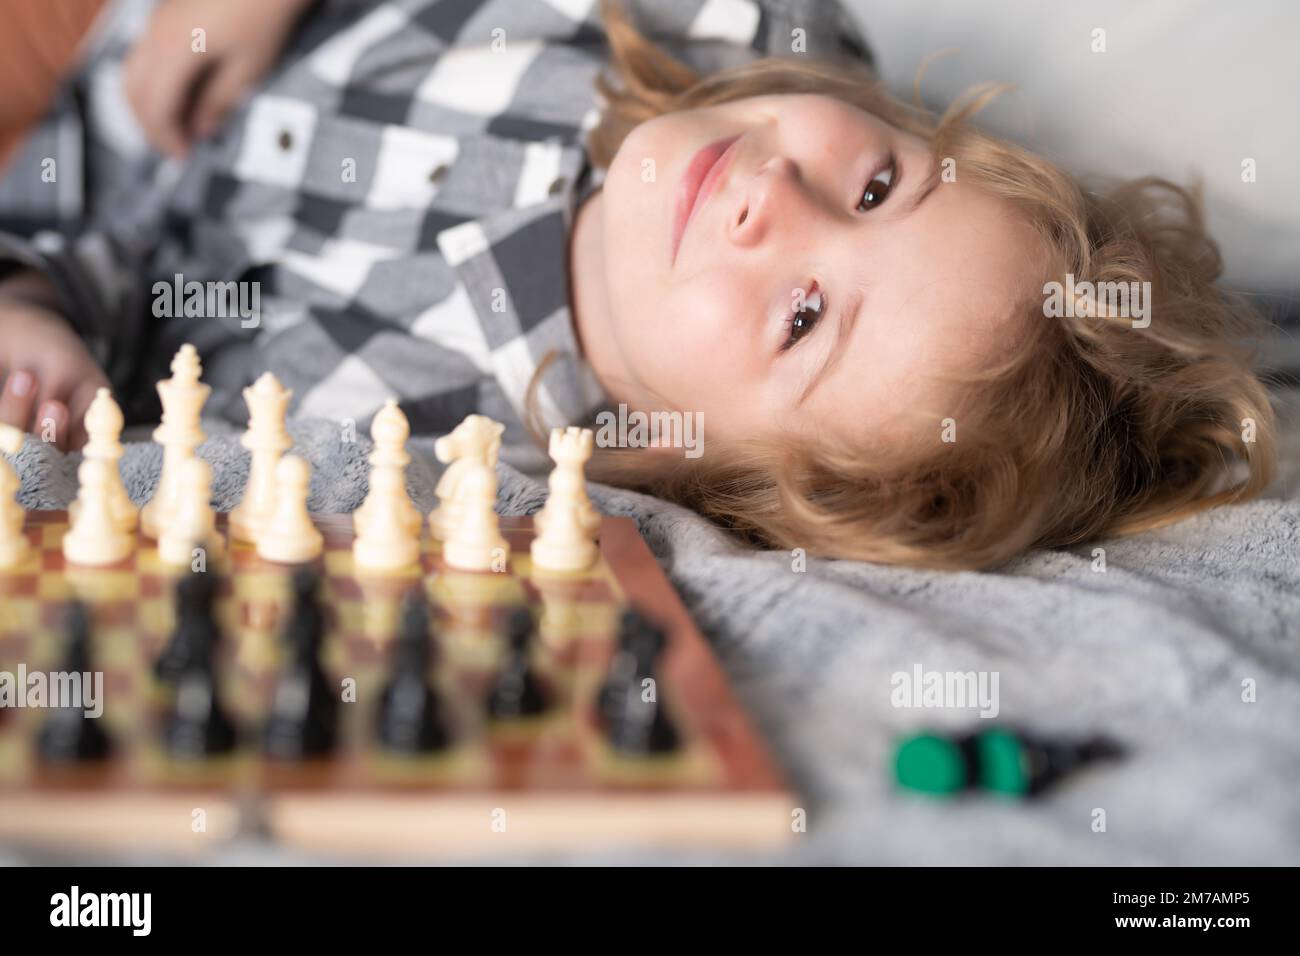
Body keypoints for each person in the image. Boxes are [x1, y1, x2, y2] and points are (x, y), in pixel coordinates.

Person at [0, 0, 1276, 569]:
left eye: (800, 317)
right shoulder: (753, 32)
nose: (771, 201)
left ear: (709, 475)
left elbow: (137, 304)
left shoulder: (421, 427)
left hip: (77, 168)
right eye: (880, 184)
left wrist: (37, 317)